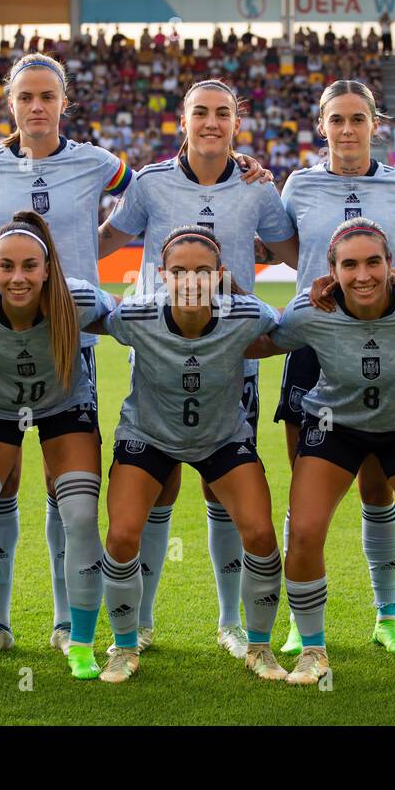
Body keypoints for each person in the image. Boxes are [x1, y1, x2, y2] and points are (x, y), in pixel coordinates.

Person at [99, 78, 299, 659]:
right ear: (181, 122)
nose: (211, 123)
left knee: (222, 490)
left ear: (237, 122)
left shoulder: (259, 189)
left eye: (222, 114)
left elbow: (294, 251)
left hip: (231, 352)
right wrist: (38, 261)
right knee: (156, 490)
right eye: (200, 113)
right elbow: (110, 237)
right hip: (159, 350)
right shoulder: (151, 183)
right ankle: (141, 620)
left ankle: (230, 621)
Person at [276, 79, 395, 658]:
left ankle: (388, 616)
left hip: (387, 342)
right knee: (306, 498)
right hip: (315, 342)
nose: (348, 129)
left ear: (375, 124)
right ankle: (300, 625)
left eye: (359, 119)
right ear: (322, 125)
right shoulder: (298, 184)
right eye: (337, 120)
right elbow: (281, 246)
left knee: (379, 490)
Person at [0, 52, 131, 657]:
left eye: (48, 97)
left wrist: (97, 246)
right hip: (3, 344)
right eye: (26, 97)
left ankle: (66, 624)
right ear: (10, 104)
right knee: (1, 485)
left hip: (71, 344)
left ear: (65, 103)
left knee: (67, 492)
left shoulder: (96, 163)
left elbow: (146, 200)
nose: (37, 107)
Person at [254, 218, 395, 685]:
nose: (363, 274)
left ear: (392, 264)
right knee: (305, 530)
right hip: (334, 427)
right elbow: (265, 341)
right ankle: (312, 651)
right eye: (349, 265)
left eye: (374, 261)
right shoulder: (313, 311)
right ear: (331, 271)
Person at [93, 226, 286, 684]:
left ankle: (259, 647)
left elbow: (292, 330)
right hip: (149, 434)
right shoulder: (137, 315)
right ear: (161, 275)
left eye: (203, 271)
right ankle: (124, 645)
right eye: (179, 272)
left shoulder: (248, 314)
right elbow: (88, 315)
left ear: (221, 275)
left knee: (260, 533)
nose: (191, 280)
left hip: (221, 437)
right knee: (121, 536)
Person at [0, 212, 115, 681]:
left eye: (28, 266)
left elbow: (129, 314)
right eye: (6, 266)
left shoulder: (76, 300)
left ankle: (79, 641)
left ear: (46, 268)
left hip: (66, 406)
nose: (18, 278)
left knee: (80, 517)